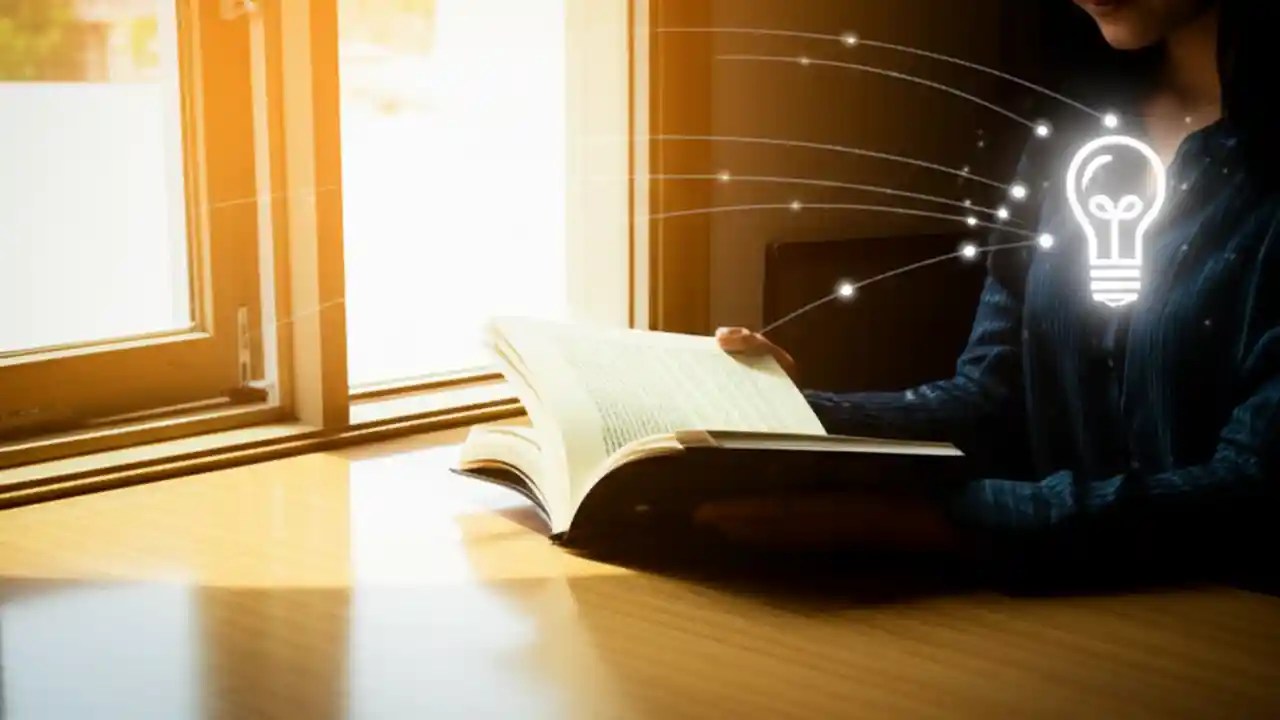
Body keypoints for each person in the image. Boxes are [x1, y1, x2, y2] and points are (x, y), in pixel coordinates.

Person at [706, 0, 1279, 583]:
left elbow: (1252, 493)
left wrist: (929, 520)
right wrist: (792, 413)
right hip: (1062, 614)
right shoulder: (1072, 136)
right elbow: (994, 397)